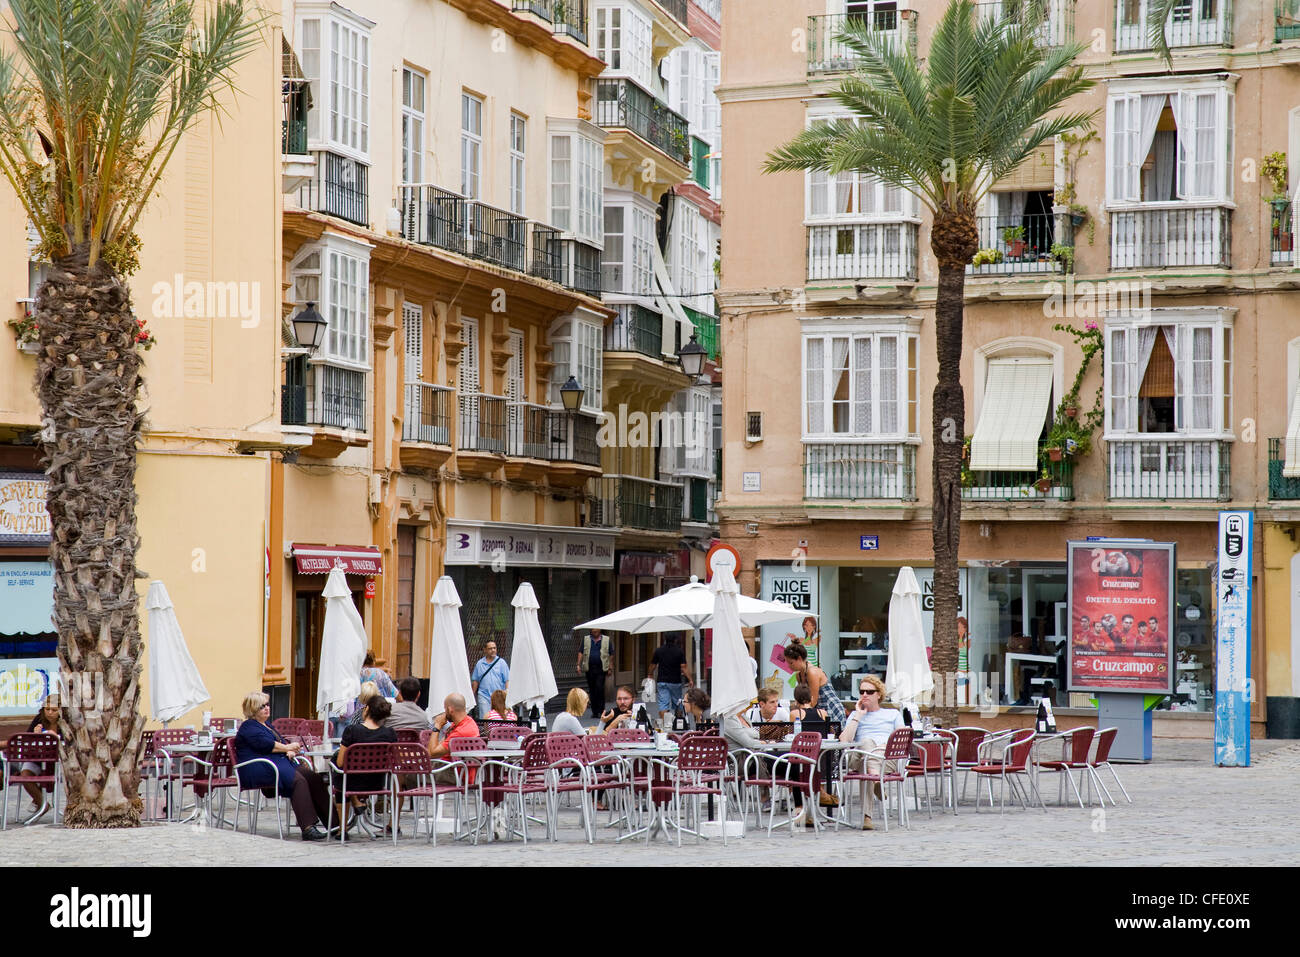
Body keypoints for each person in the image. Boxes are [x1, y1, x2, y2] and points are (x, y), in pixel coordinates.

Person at [234, 692, 333, 840]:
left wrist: (289, 751)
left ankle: (335, 824)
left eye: (267, 705)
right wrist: (288, 748)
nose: (267, 708)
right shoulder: (248, 727)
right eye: (262, 707)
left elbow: (280, 742)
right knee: (298, 781)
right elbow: (266, 745)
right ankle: (308, 827)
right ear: (253, 710)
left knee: (313, 778)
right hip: (259, 768)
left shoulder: (267, 725)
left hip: (278, 763)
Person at [839, 674, 904, 830]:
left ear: (879, 694)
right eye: (862, 692)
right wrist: (858, 716)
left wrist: (883, 746)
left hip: (885, 758)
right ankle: (876, 780)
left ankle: (867, 817)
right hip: (859, 757)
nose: (864, 695)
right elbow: (844, 740)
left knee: (873, 756)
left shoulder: (892, 714)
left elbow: (901, 740)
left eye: (869, 691)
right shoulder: (856, 715)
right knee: (867, 742)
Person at [332, 695, 398, 830]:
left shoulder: (352, 730)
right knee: (344, 774)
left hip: (351, 784)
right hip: (378, 783)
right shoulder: (390, 734)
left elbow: (340, 763)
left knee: (338, 769)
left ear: (367, 709)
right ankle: (355, 803)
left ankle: (342, 828)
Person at [781, 641, 845, 725]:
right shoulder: (798, 675)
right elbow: (803, 697)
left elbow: (812, 700)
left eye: (791, 662)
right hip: (817, 710)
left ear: (799, 659)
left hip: (831, 707)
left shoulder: (812, 672)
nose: (789, 666)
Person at [18, 695, 61, 817]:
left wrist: (56, 736)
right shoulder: (39, 719)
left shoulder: (65, 723)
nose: (50, 713)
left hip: (56, 760)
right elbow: (25, 738)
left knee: (50, 778)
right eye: (47, 709)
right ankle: (43, 804)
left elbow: (69, 743)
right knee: (25, 775)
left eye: (54, 710)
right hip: (35, 756)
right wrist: (34, 735)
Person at [427, 693, 480, 785]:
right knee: (413, 769)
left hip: (453, 772)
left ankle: (399, 798)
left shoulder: (460, 731)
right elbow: (436, 748)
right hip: (458, 770)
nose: (444, 712)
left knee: (410, 774)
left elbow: (432, 753)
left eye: (445, 708)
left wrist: (437, 726)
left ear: (450, 709)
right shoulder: (467, 723)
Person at [649, 633, 691, 724]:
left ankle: (665, 724)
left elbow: (653, 665)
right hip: (675, 681)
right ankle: (678, 723)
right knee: (678, 703)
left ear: (665, 639)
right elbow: (683, 667)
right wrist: (690, 679)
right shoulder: (679, 651)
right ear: (675, 639)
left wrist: (650, 674)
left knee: (663, 704)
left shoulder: (659, 650)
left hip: (662, 681)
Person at [576, 628, 612, 718]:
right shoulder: (586, 639)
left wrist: (610, 667)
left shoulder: (606, 640)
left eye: (596, 631)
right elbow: (581, 652)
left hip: (601, 668)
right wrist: (578, 665)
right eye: (593, 631)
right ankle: (595, 711)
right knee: (592, 689)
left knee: (599, 688)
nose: (594, 633)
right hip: (590, 668)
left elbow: (611, 653)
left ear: (599, 631)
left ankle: (601, 710)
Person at [471, 641, 510, 719]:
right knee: (485, 718)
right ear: (485, 650)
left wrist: (507, 693)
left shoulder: (502, 663)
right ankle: (486, 731)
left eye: (494, 648)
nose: (493, 650)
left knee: (499, 718)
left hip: (498, 696)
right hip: (484, 695)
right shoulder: (480, 664)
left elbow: (507, 680)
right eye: (490, 648)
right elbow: (475, 681)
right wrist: (472, 695)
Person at [956, 616, 972, 705]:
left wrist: (965, 634)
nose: (957, 630)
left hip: (966, 671)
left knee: (967, 697)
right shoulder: (956, 641)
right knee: (960, 696)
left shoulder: (966, 642)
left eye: (958, 627)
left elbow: (962, 647)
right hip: (959, 672)